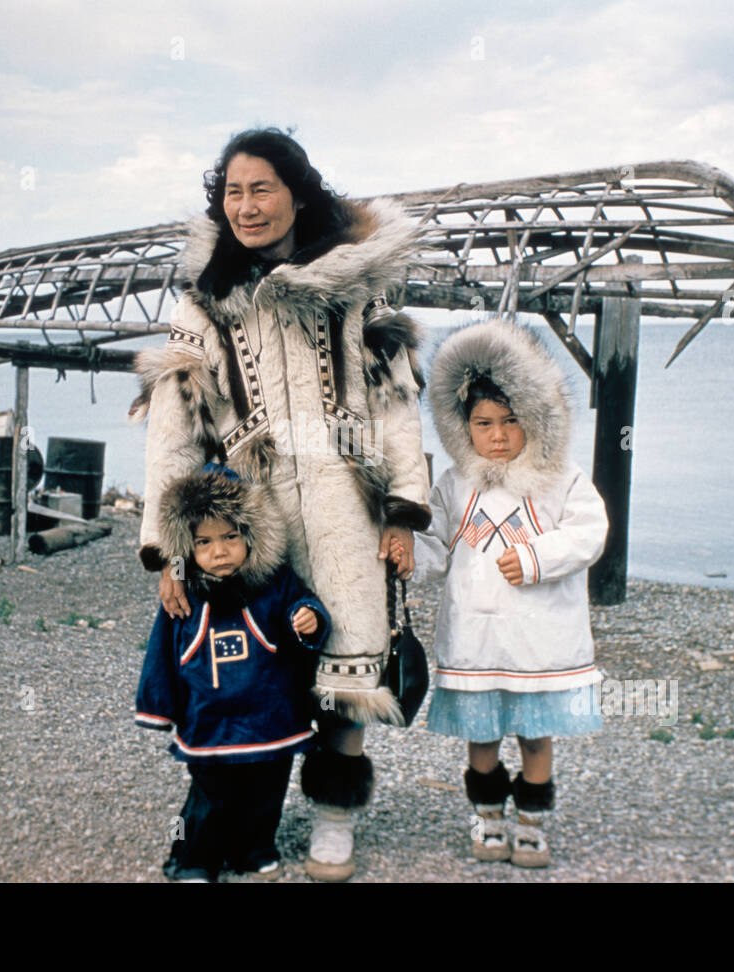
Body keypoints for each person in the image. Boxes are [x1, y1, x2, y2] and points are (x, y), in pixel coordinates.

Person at [129, 128, 430, 881]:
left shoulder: (359, 289)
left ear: (297, 194)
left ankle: (333, 818)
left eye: (261, 188)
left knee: (349, 666)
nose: (247, 206)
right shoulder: (203, 304)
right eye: (233, 192)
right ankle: (228, 826)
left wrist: (403, 513)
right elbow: (173, 428)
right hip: (247, 517)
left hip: (345, 506)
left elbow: (396, 405)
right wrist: (169, 548)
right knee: (247, 673)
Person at [406, 319, 609, 867]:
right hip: (475, 641)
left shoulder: (561, 477)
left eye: (511, 420)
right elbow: (434, 546)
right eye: (484, 423)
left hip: (542, 644)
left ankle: (532, 825)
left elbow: (590, 533)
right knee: (482, 737)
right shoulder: (454, 484)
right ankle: (488, 819)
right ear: (462, 426)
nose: (497, 435)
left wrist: (538, 558)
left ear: (535, 419)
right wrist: (405, 555)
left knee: (537, 737)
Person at [135, 465, 331, 882]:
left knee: (267, 792)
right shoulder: (183, 594)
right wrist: (158, 708)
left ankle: (253, 850)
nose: (219, 551)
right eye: (204, 542)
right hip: (210, 720)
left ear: (252, 535)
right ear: (185, 545)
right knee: (209, 796)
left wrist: (309, 618)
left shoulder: (275, 582)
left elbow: (306, 607)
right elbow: (162, 655)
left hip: (272, 717)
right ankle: (192, 859)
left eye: (230, 537)